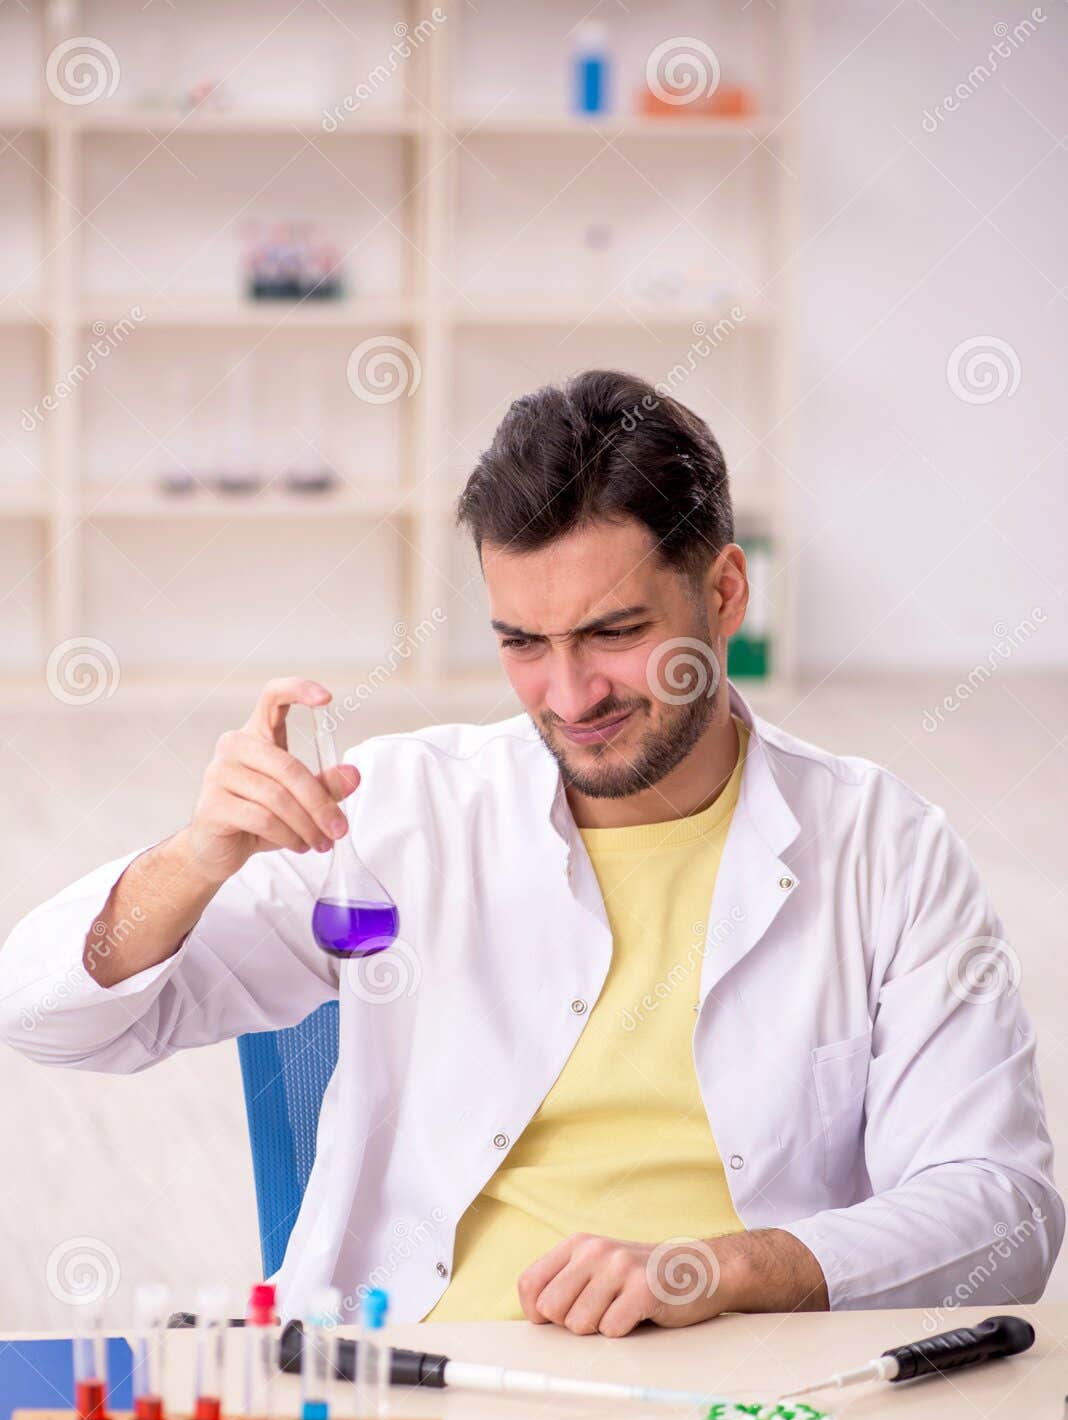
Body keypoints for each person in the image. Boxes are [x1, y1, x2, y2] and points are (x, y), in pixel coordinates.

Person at [1, 370, 1061, 1331]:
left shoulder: (884, 847)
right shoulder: (404, 811)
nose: (570, 695)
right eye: (522, 643)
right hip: (427, 1384)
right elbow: (45, 1021)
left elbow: (1004, 1212)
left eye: (614, 633)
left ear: (726, 594)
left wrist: (729, 1267)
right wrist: (195, 857)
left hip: (740, 1390)